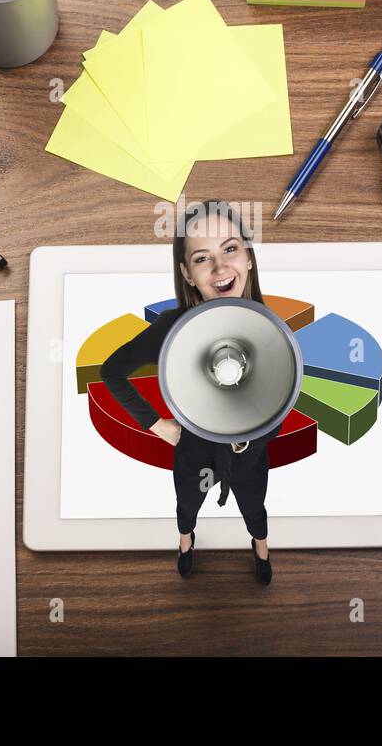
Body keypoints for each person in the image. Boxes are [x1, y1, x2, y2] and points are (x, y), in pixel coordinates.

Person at [100, 200, 276, 584]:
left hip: (248, 457)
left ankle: (261, 550)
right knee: (187, 504)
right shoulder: (171, 328)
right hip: (194, 449)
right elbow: (112, 371)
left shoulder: (273, 333)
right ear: (188, 273)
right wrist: (156, 425)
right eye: (202, 258)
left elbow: (277, 411)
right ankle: (185, 542)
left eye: (230, 249)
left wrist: (244, 439)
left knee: (254, 507)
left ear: (248, 257)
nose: (219, 268)